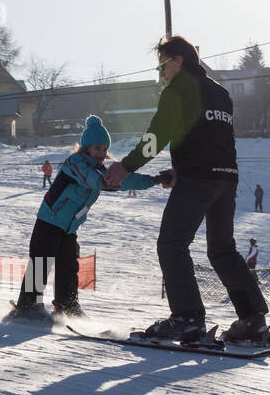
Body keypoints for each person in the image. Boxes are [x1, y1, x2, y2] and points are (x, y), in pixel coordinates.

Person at [103, 35, 269, 344]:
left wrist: (126, 166)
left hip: (198, 180)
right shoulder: (220, 92)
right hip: (226, 178)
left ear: (178, 60)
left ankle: (187, 317)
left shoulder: (178, 90)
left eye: (162, 65)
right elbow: (210, 136)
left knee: (172, 244)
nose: (161, 73)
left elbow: (158, 135)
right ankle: (252, 320)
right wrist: (182, 168)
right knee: (223, 250)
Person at [10, 115, 168, 321]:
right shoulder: (75, 163)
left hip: (69, 227)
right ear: (86, 149)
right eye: (97, 149)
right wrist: (112, 179)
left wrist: (155, 180)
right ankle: (28, 306)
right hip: (49, 220)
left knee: (69, 265)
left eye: (104, 149)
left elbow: (126, 179)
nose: (102, 154)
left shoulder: (100, 170)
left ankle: (67, 305)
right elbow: (94, 181)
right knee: (41, 261)